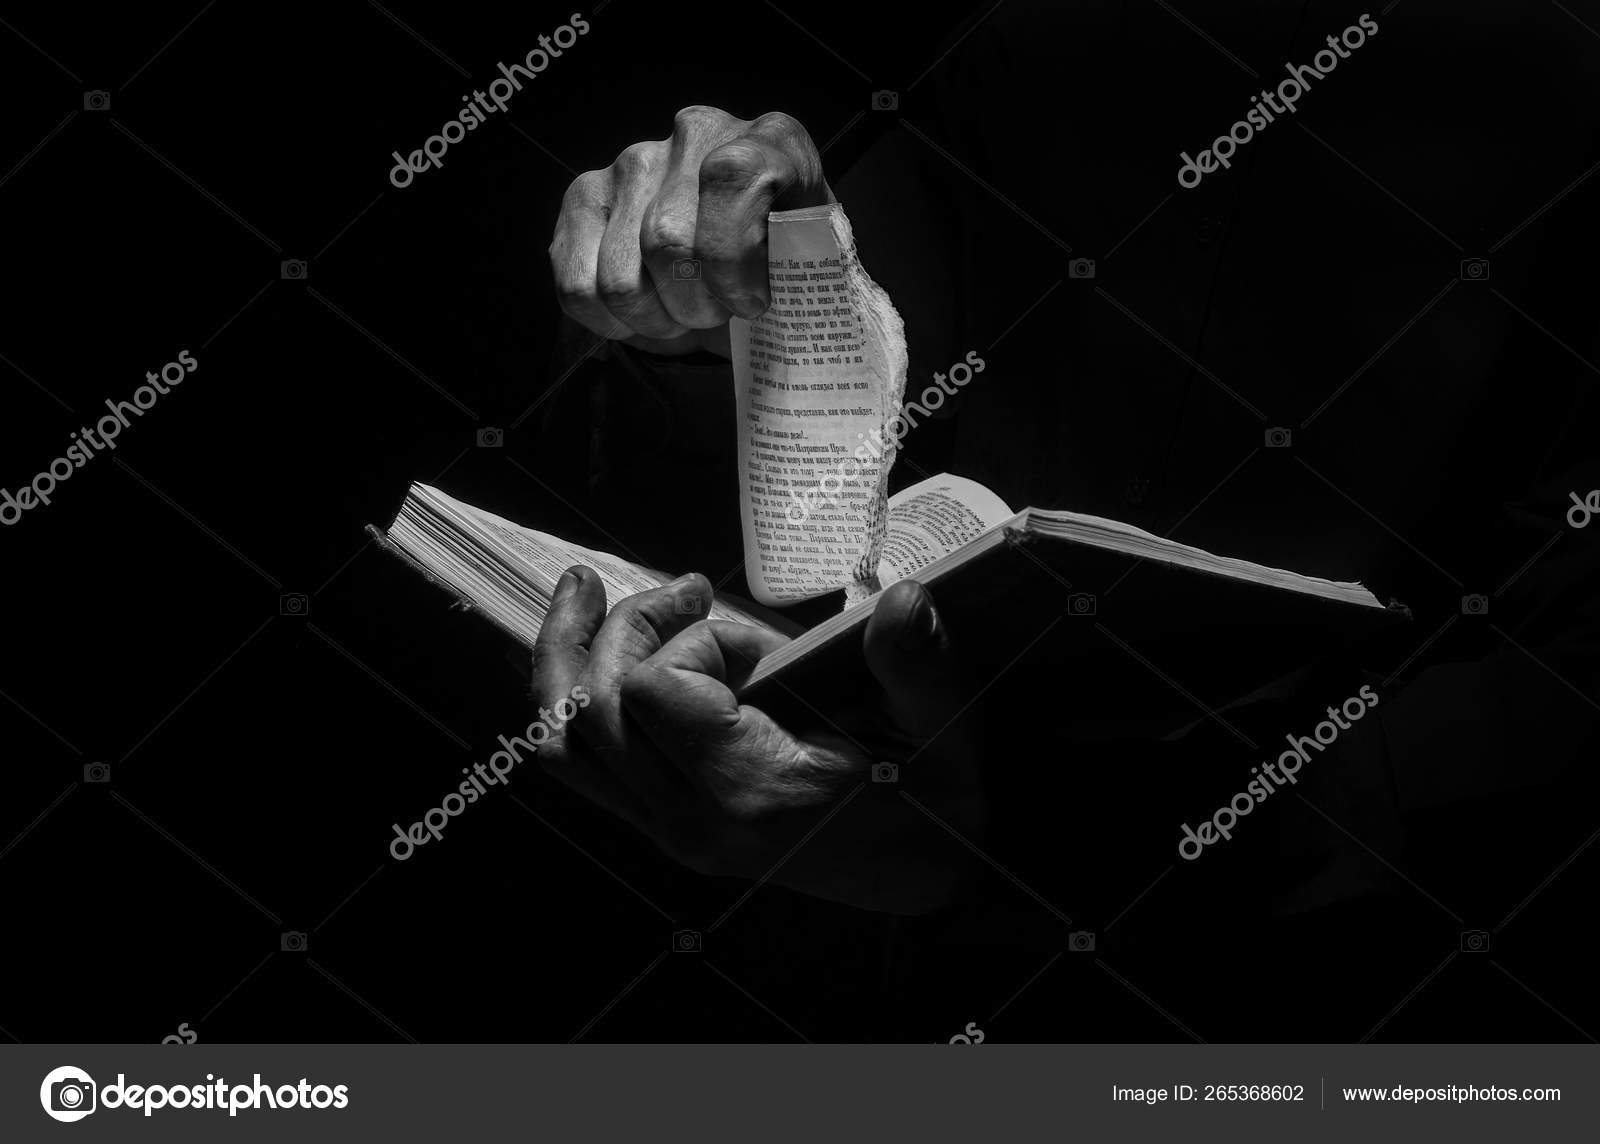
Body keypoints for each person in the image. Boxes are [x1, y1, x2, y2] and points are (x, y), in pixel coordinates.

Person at [528, 2, 1599, 1038]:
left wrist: (994, 849)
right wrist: (688, 303)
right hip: (859, 949)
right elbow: (837, 331)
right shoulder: (1019, 40)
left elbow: (1542, 727)